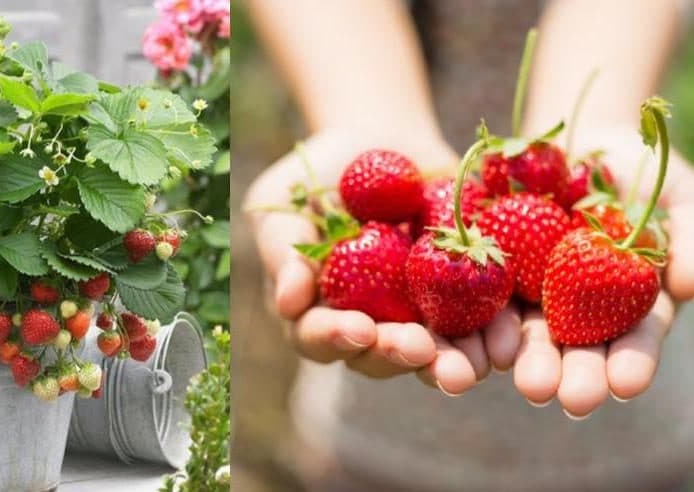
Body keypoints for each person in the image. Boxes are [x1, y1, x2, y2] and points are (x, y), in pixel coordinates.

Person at [242, 0, 694, 489]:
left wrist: (599, 121)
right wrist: (363, 119)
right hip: (380, 435)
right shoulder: (434, 231)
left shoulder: (586, 230)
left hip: (634, 446)